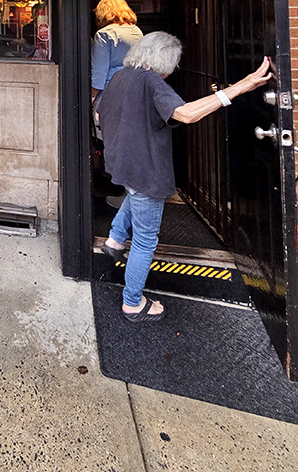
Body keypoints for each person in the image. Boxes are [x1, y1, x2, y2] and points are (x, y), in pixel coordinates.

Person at [97, 32, 270, 322]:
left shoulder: (120, 76)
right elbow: (186, 114)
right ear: (165, 61)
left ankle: (114, 240)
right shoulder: (152, 81)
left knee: (134, 195)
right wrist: (240, 88)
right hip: (145, 169)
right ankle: (132, 302)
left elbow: (101, 115)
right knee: (144, 240)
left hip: (122, 162)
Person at [91, 0, 143, 104]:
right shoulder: (137, 31)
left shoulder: (104, 34)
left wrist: (92, 96)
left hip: (110, 92)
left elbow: (99, 71)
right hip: (135, 89)